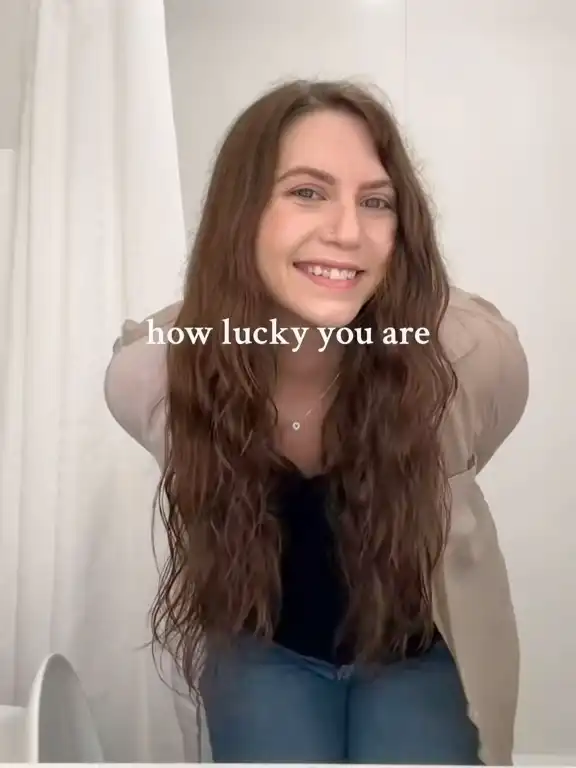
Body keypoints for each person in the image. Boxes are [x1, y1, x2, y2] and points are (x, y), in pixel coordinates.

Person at [104, 79, 529, 765]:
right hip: (263, 649)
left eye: (376, 201)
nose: (347, 231)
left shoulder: (469, 357)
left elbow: (474, 448)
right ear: (243, 212)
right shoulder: (159, 371)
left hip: (422, 650)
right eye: (307, 191)